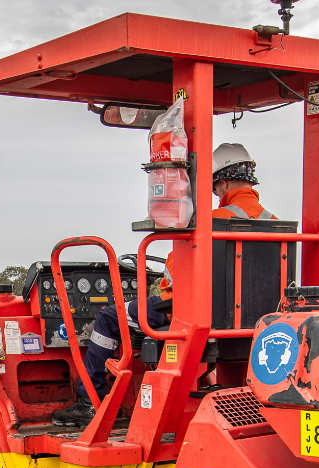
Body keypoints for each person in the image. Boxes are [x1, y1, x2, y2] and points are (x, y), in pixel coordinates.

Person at [53, 142, 279, 427]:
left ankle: (89, 403)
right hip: (250, 322)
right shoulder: (274, 223)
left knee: (110, 318)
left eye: (214, 187)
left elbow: (172, 276)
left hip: (191, 315)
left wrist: (163, 288)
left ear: (221, 182)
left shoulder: (212, 222)